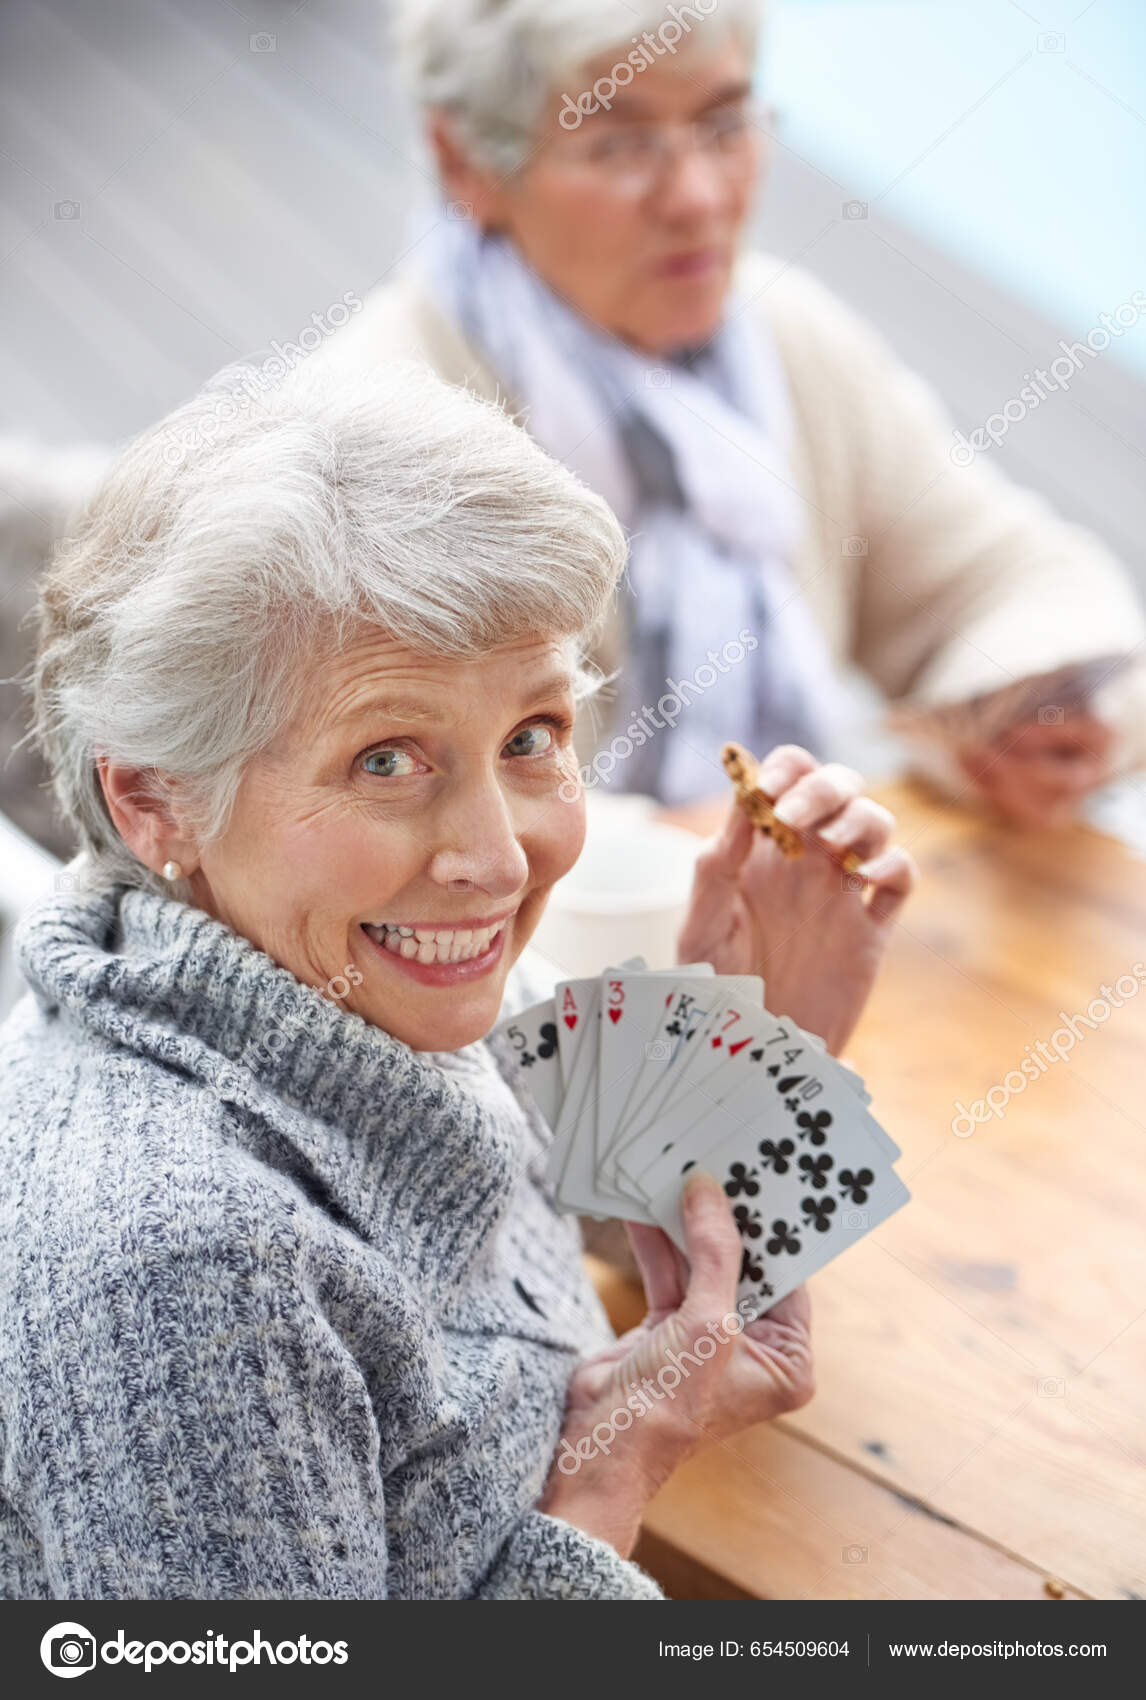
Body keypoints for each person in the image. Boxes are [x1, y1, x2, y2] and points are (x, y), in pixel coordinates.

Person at [0, 360, 914, 1599]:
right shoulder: (186, 1271)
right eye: (387, 758)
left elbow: (607, 1214)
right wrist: (612, 1470)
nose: (496, 857)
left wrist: (772, 1030)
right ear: (156, 796)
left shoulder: (342, 966)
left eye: (531, 736)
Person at [318, 0, 1146, 823]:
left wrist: (1039, 710)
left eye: (724, 126)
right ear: (466, 164)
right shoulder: (377, 447)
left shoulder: (785, 341)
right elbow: (399, 813)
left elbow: (1021, 581)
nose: (699, 197)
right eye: (620, 144)